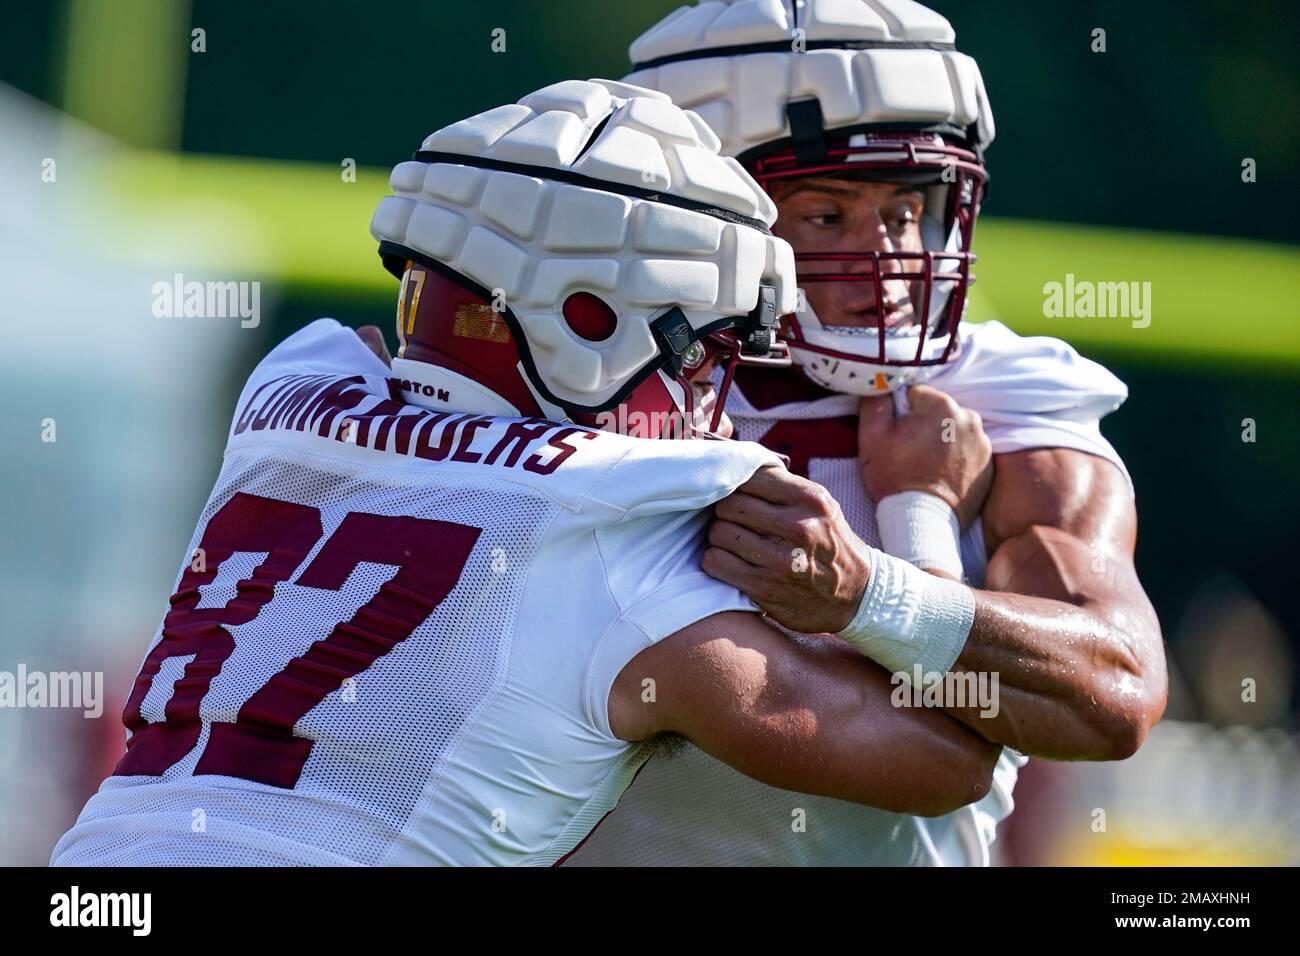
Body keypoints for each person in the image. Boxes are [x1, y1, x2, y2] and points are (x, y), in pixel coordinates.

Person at [51, 79, 1000, 867]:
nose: (713, 388)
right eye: (707, 350)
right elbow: (945, 763)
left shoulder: (291, 397)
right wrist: (916, 522)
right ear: (591, 323)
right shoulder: (629, 530)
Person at [565, 0, 1167, 866]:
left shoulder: (997, 400)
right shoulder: (581, 383)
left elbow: (1110, 695)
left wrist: (866, 595)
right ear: (701, 214)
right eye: (827, 215)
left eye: (906, 211)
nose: (890, 262)